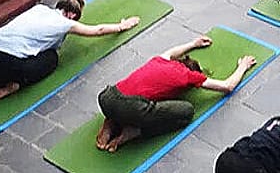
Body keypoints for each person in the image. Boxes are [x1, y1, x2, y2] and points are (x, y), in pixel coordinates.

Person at [95, 35, 258, 152]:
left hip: (107, 97)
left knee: (125, 101)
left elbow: (172, 51)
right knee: (186, 111)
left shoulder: (161, 60)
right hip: (132, 108)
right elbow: (228, 86)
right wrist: (243, 66)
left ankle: (111, 122)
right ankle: (133, 132)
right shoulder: (188, 76)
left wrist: (193, 43)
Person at [0, 0, 141, 101]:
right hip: (7, 65)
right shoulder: (65, 23)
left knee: (9, 54)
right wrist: (122, 26)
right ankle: (11, 87)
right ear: (72, 15)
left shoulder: (39, 8)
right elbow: (97, 30)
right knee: (51, 58)